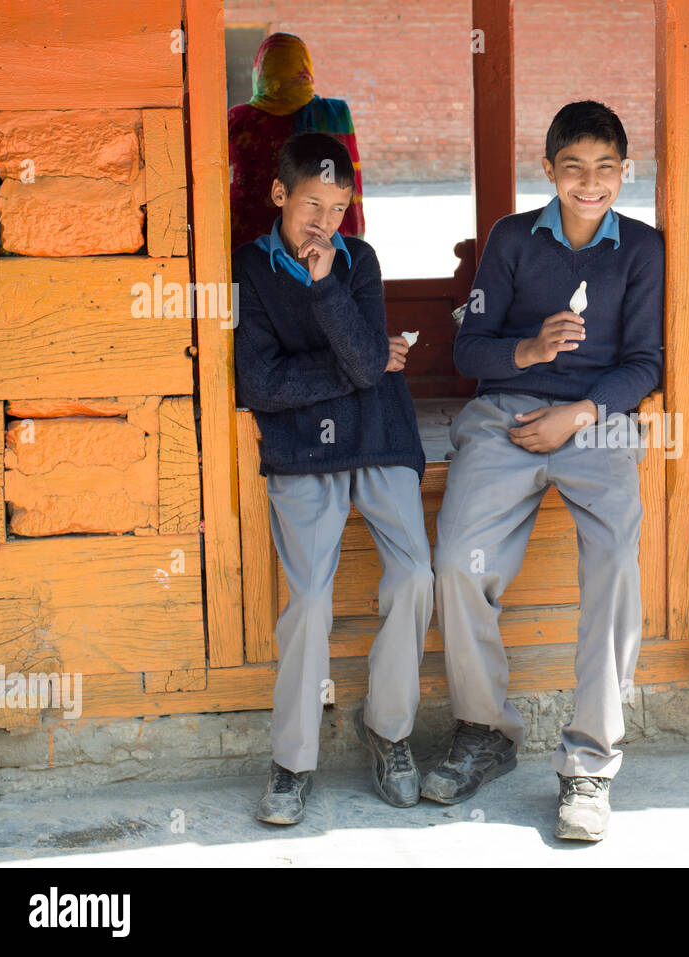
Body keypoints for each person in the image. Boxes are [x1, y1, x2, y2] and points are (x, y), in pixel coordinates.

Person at [419, 101, 664, 842]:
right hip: (506, 416)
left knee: (617, 562)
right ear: (549, 171)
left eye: (605, 168)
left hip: (596, 421)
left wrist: (582, 413)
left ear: (625, 172)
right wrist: (528, 351)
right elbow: (470, 352)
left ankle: (589, 759)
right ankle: (486, 729)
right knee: (459, 561)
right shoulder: (513, 240)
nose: (589, 183)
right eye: (573, 168)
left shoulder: (642, 249)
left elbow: (645, 362)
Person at [232, 132, 431, 825]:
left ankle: (389, 730)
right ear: (279, 194)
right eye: (311, 203)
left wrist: (326, 289)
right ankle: (292, 761)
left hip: (379, 434)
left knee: (416, 577)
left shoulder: (359, 262)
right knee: (309, 601)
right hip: (301, 450)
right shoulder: (249, 270)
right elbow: (260, 380)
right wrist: (362, 366)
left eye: (338, 208)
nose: (324, 221)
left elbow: (364, 360)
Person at [228, 33, 365, 250]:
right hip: (314, 241)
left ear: (260, 72)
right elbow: (348, 182)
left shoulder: (238, 119)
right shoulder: (330, 115)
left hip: (247, 241)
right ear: (305, 69)